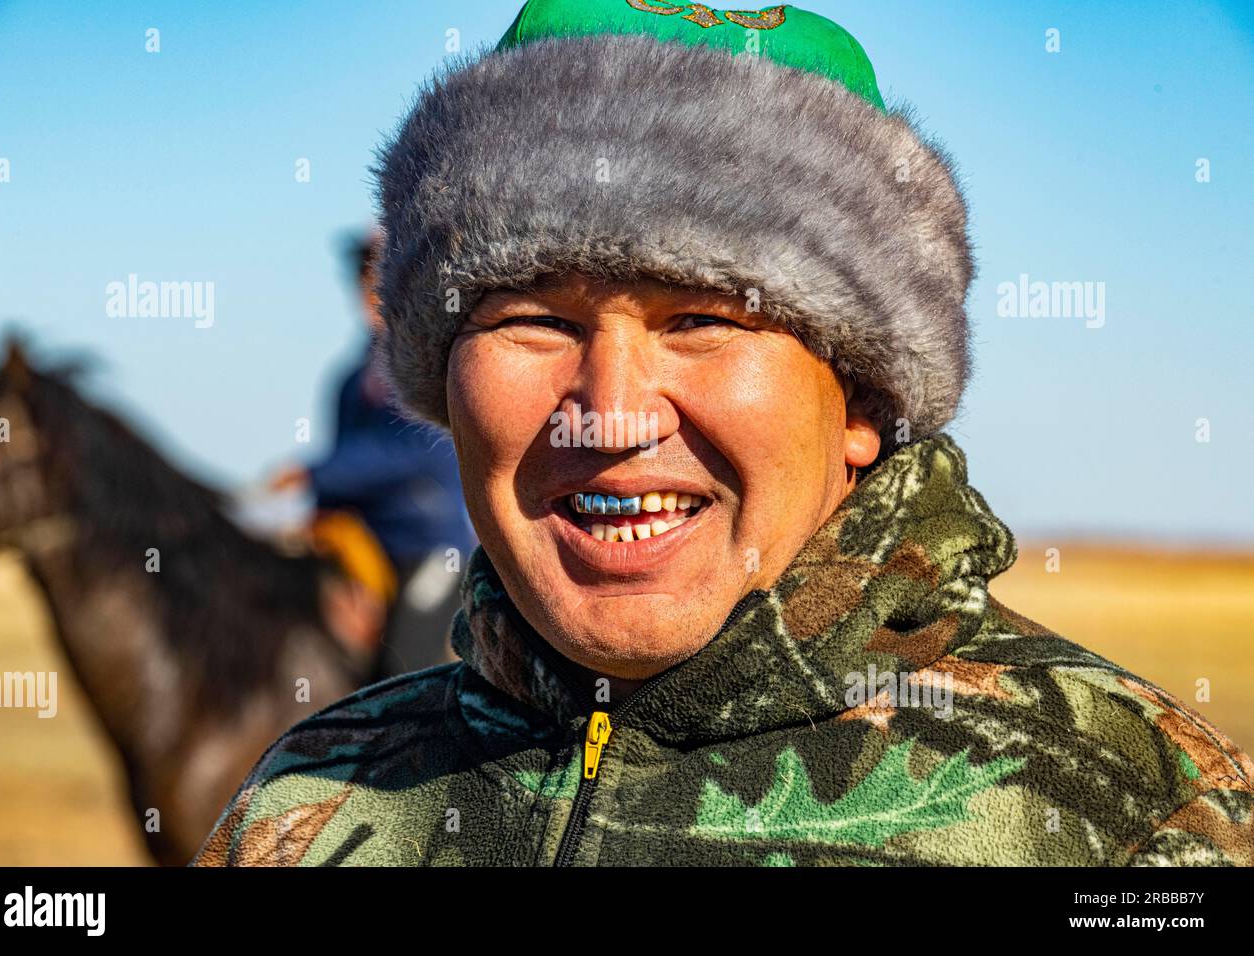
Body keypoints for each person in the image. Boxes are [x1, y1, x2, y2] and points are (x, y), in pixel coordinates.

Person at [196, 1, 1253, 866]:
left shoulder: (1137, 820)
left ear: (863, 402)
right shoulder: (306, 801)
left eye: (702, 319)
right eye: (534, 320)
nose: (611, 412)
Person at [269, 231, 476, 677]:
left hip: (428, 545)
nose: (371, 290)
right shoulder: (348, 380)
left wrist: (315, 475)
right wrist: (319, 509)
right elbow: (344, 455)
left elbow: (414, 450)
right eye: (364, 276)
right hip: (361, 551)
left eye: (382, 275)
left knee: (400, 671)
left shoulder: (430, 367)